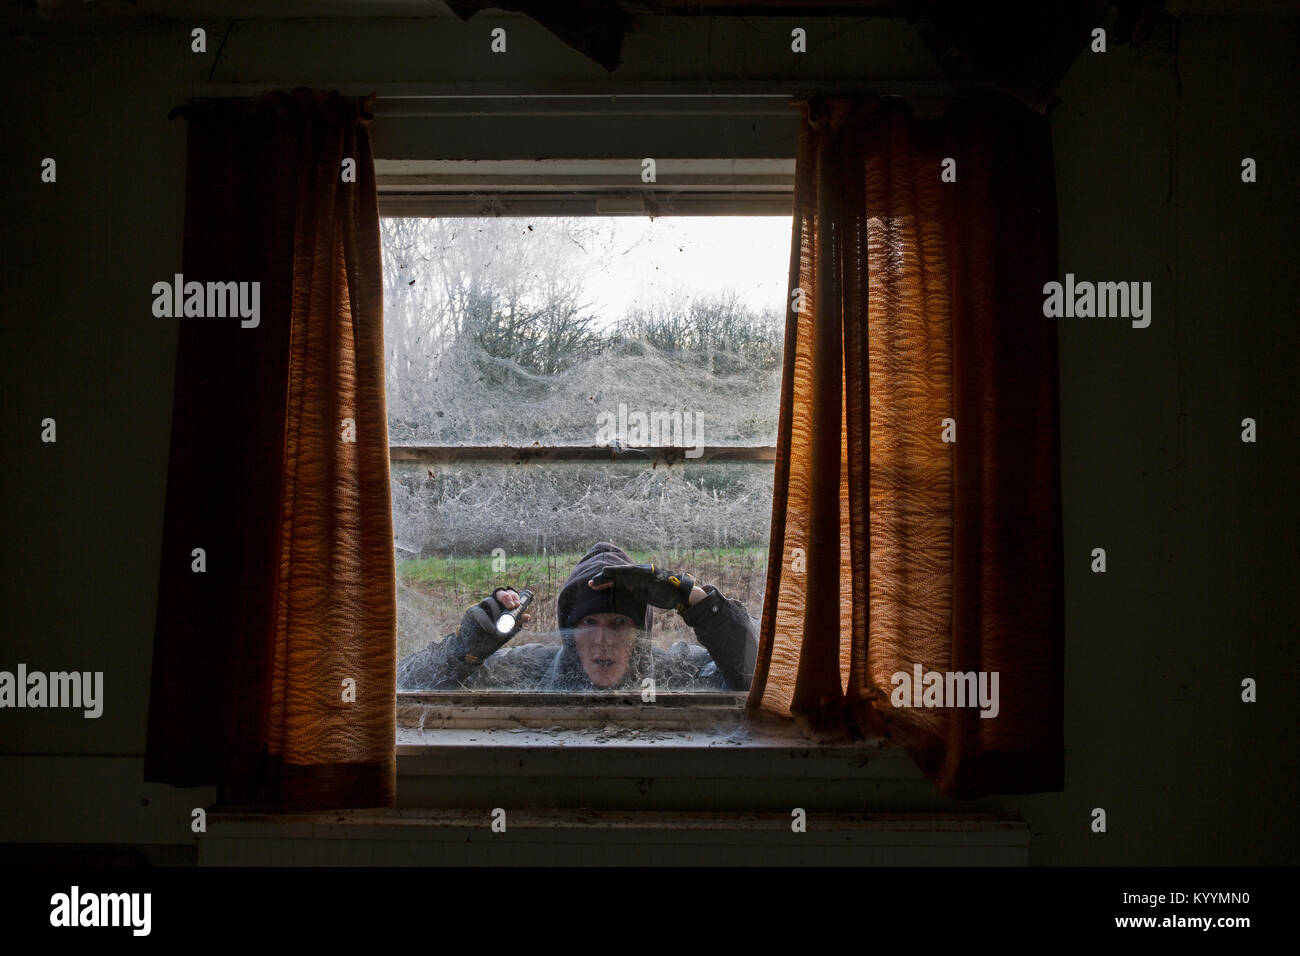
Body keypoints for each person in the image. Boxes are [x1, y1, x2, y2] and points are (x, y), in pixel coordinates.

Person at [397, 541, 758, 692]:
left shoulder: (674, 672)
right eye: (588, 623)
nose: (603, 641)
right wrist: (466, 649)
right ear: (569, 629)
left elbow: (760, 679)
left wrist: (696, 601)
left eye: (619, 623)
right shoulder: (529, 670)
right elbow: (405, 687)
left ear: (641, 629)